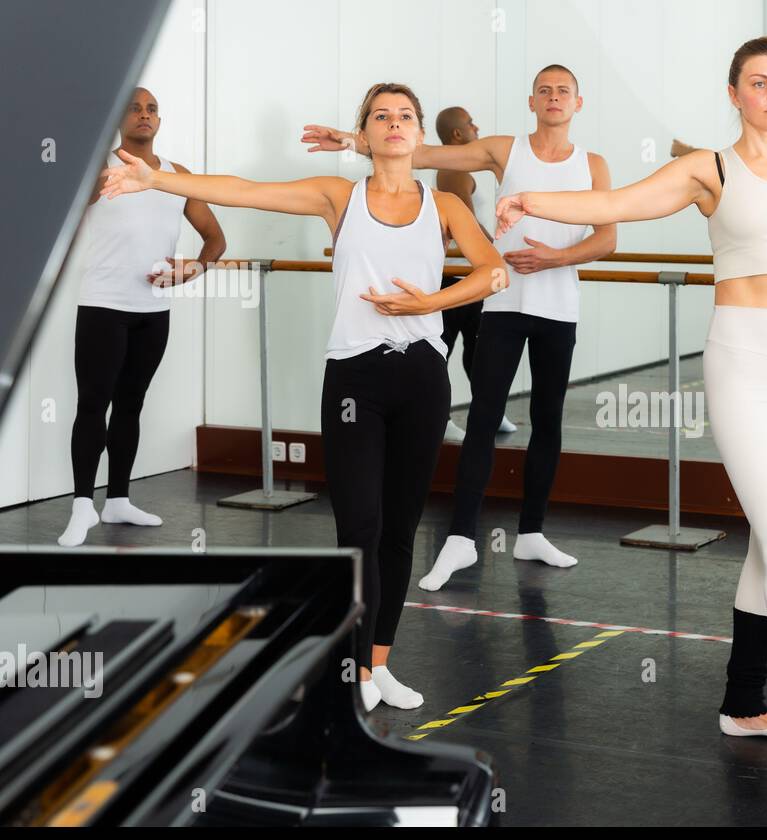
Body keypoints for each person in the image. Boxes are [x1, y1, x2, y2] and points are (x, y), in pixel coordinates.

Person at [494, 36, 767, 817]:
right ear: (734, 93)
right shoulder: (710, 170)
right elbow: (618, 204)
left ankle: (744, 702)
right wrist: (533, 202)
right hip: (743, 362)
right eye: (758, 81)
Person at [104, 82, 506, 710]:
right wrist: (158, 181)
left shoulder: (445, 205)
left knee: (400, 530)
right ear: (365, 134)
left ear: (418, 132)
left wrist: (429, 302)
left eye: (405, 116)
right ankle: (355, 669)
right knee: (360, 527)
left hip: (424, 378)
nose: (394, 123)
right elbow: (243, 190)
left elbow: (493, 272)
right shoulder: (338, 196)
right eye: (381, 116)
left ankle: (379, 663)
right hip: (355, 380)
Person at [304, 64, 616, 588]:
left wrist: (556, 258)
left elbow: (608, 238)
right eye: (544, 90)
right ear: (531, 100)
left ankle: (532, 531)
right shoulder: (503, 149)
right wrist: (356, 142)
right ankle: (460, 540)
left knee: (548, 417)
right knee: (484, 417)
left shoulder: (594, 164)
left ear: (578, 103)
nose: (554, 97)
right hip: (502, 304)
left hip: (558, 305)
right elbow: (423, 154)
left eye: (564, 91)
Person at [59, 87, 226, 548]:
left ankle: (117, 499)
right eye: (134, 108)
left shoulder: (176, 176)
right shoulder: (101, 170)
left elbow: (215, 239)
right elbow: (62, 216)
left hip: (153, 311)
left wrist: (190, 270)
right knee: (93, 404)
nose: (144, 115)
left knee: (131, 403)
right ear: (119, 118)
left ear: (160, 119)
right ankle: (81, 505)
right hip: (103, 306)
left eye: (152, 109)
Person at [430, 105, 517, 442]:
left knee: (477, 351)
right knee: (444, 351)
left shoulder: (455, 170)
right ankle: (439, 418)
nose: (476, 127)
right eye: (470, 123)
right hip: (458, 276)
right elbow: (465, 223)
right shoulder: (454, 170)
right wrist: (495, 251)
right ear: (457, 134)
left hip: (467, 275)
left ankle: (490, 411)